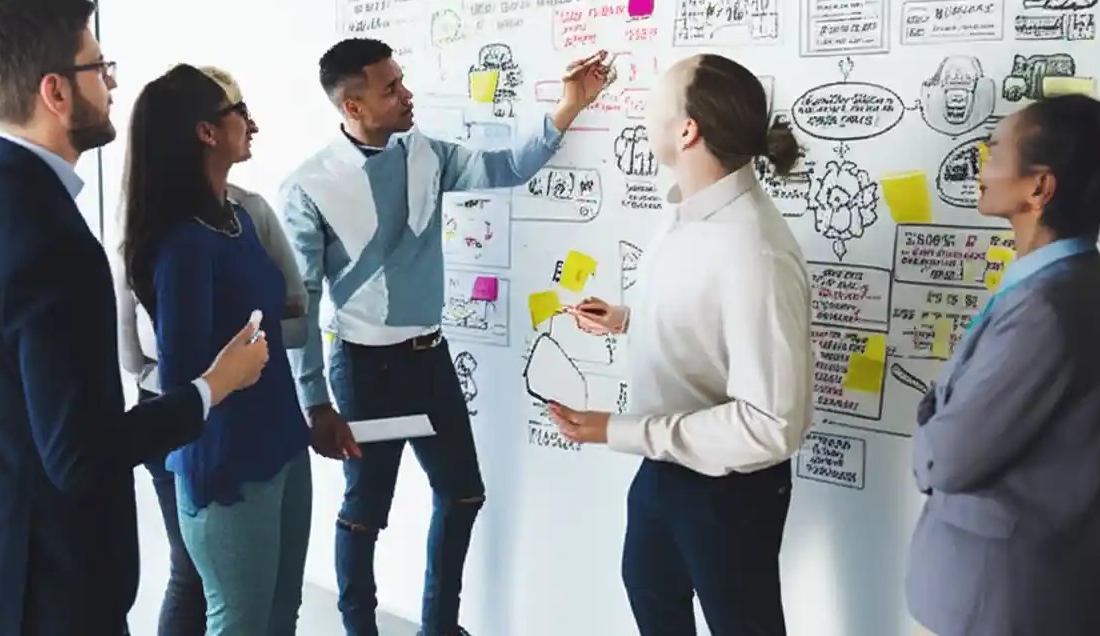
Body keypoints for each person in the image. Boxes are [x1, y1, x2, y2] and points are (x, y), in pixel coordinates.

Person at [0, 0, 269, 636]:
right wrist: (213, 386)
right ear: (56, 92)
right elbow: (79, 457)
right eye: (99, 68)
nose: (111, 84)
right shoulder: (51, 240)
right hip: (54, 584)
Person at [280, 37, 609, 636]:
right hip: (363, 372)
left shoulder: (425, 154)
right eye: (391, 89)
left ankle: (439, 628)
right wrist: (313, 403)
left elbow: (508, 168)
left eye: (402, 81)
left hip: (430, 364)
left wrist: (570, 106)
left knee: (462, 494)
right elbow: (296, 306)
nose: (407, 96)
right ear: (352, 106)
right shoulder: (309, 185)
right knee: (364, 513)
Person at [548, 54, 812, 636]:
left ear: (687, 128)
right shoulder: (687, 212)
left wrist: (616, 429)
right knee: (651, 594)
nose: (644, 110)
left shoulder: (755, 253)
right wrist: (627, 321)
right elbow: (711, 324)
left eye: (656, 99)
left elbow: (771, 425)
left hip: (729, 489)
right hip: (665, 464)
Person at [905, 94, 1100, 636]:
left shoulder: (1047, 307)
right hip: (1022, 593)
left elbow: (946, 461)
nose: (980, 169)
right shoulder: (1072, 282)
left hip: (1006, 603)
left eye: (994, 153)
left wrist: (931, 420)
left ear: (1040, 187)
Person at [120, 63, 321, 636]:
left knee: (282, 614)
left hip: (282, 442)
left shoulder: (238, 218)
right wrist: (234, 363)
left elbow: (285, 306)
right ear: (206, 132)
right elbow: (185, 383)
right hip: (229, 462)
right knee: (241, 622)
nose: (252, 125)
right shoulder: (182, 243)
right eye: (240, 114)